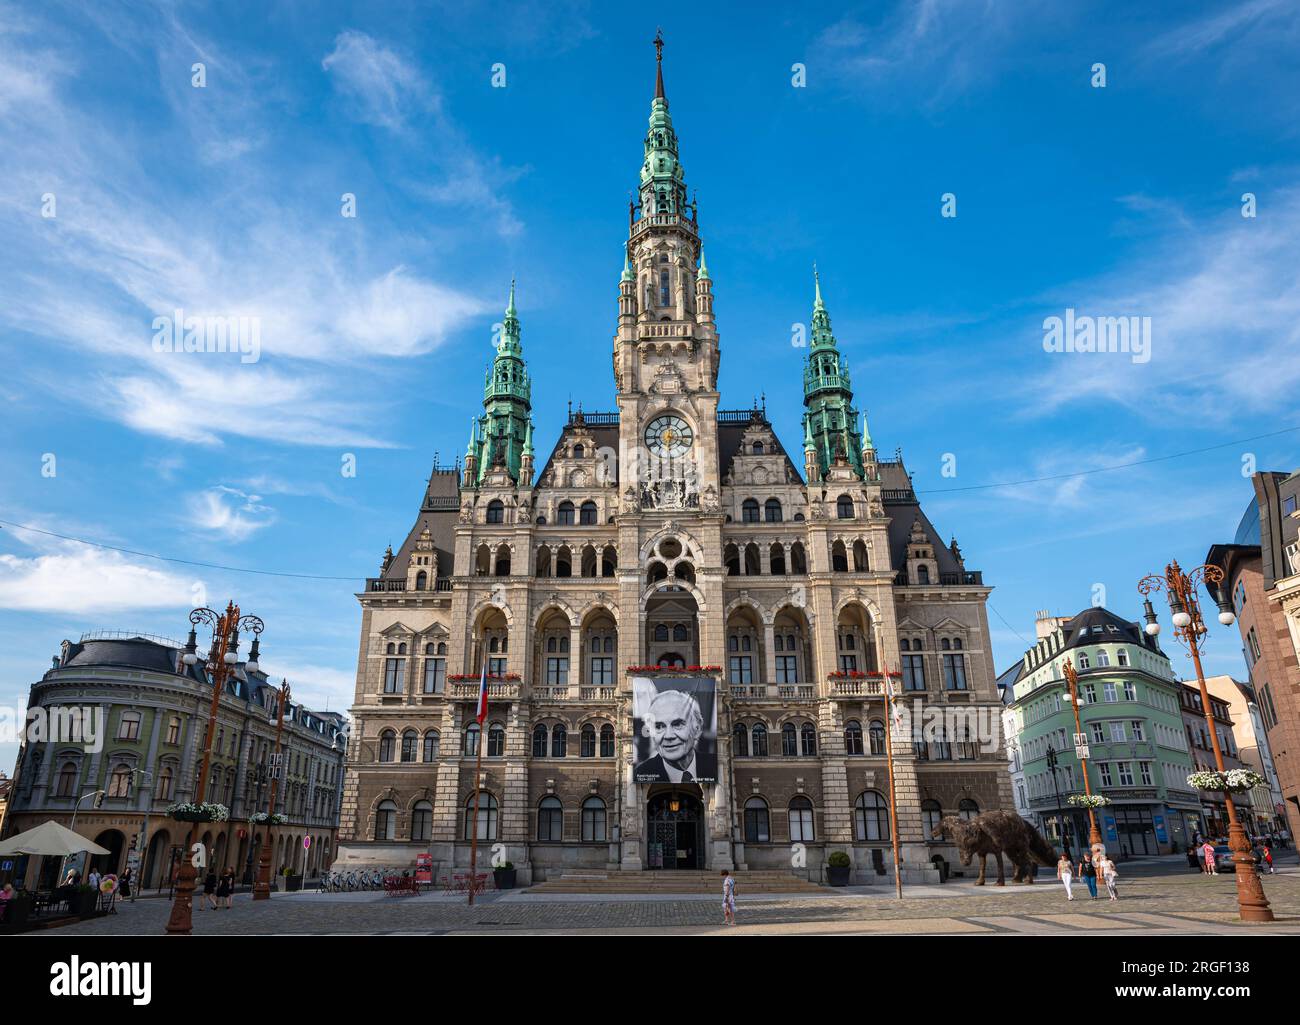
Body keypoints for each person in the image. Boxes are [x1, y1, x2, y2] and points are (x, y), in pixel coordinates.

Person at [634, 689, 708, 783]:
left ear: (697, 728)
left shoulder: (715, 766)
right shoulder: (640, 775)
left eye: (677, 724)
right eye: (659, 726)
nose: (668, 736)